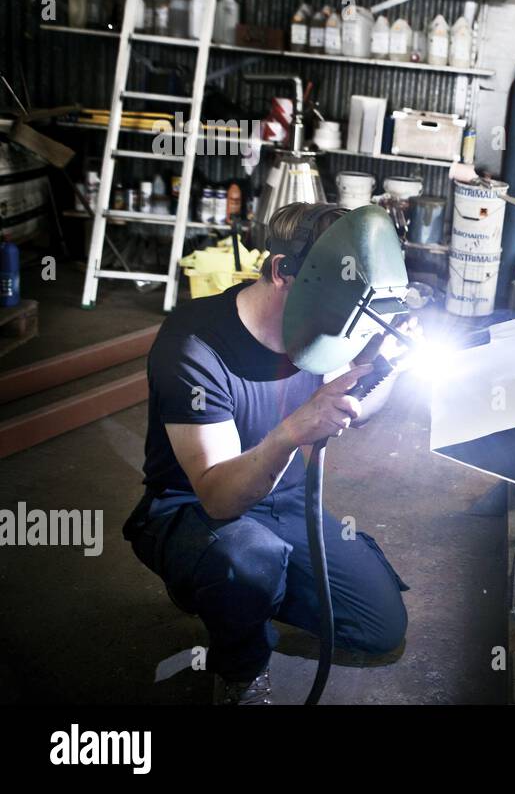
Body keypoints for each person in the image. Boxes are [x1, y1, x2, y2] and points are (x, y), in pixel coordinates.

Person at [123, 202, 411, 704]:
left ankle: (250, 592)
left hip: (283, 499)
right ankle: (240, 664)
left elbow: (359, 405)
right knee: (246, 559)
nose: (350, 320)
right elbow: (218, 497)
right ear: (282, 271)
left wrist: (381, 373)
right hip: (192, 507)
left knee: (378, 626)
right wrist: (288, 433)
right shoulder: (194, 345)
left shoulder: (332, 324)